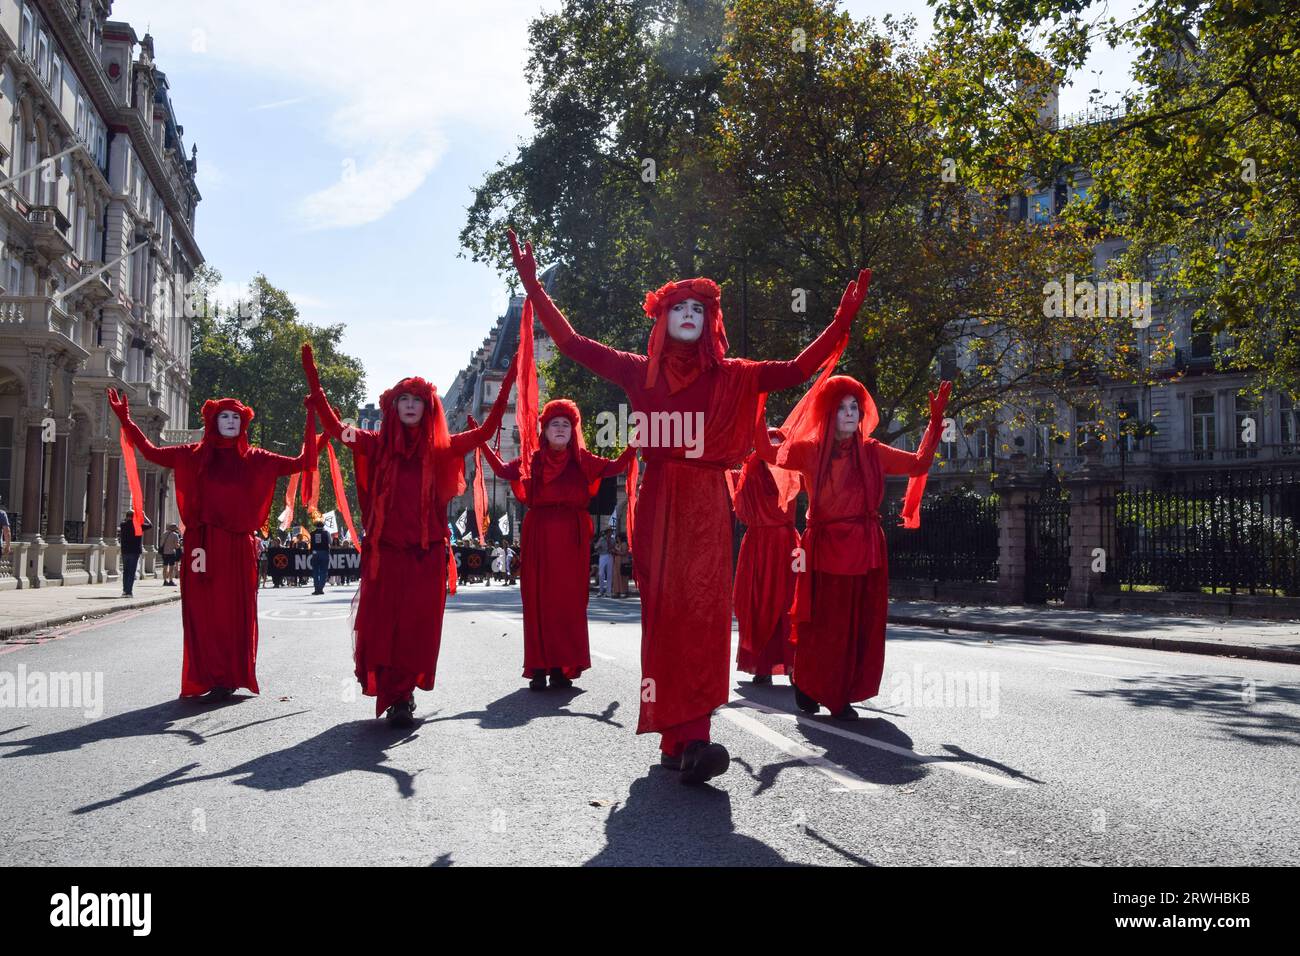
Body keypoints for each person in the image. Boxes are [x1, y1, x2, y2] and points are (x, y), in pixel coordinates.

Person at [509, 229, 869, 784]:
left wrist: (840, 324)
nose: (687, 315)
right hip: (658, 502)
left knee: (702, 617)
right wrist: (534, 288)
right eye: (677, 307)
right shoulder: (638, 369)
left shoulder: (736, 375)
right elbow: (576, 345)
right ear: (662, 318)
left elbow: (798, 370)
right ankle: (676, 736)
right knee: (666, 616)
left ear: (711, 322)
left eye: (698, 309)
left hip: (706, 504)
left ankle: (694, 735)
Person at [302, 343, 516, 726]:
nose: (411, 405)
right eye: (404, 399)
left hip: (426, 554)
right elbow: (336, 430)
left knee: (416, 629)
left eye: (418, 399)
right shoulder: (376, 444)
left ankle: (404, 696)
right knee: (384, 627)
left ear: (427, 407)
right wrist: (316, 386)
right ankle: (394, 693)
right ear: (394, 407)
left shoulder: (442, 448)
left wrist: (511, 380)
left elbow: (485, 431)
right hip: (385, 554)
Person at [107, 387, 315, 699]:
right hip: (201, 545)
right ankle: (208, 673)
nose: (230, 421)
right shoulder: (190, 454)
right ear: (213, 421)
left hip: (237, 547)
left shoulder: (256, 458)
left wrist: (316, 422)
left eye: (235, 417)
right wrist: (127, 421)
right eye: (224, 416)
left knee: (235, 612)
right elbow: (150, 452)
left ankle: (229, 674)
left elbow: (302, 462)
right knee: (202, 611)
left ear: (242, 423)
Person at [772, 375, 951, 719]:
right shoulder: (809, 450)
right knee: (822, 622)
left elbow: (918, 464)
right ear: (828, 413)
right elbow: (769, 453)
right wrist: (757, 402)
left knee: (857, 624)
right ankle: (808, 683)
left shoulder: (872, 450)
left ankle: (840, 693)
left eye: (854, 406)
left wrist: (934, 426)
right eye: (841, 408)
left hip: (865, 549)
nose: (850, 413)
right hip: (824, 549)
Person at [474, 398, 636, 690]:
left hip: (572, 538)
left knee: (569, 603)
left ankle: (562, 667)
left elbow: (616, 466)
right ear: (544, 430)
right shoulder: (530, 460)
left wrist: (636, 442)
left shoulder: (583, 460)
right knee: (537, 600)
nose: (560, 429)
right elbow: (499, 470)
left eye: (566, 424)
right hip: (539, 535)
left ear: (573, 431)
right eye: (554, 424)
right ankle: (538, 667)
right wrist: (482, 440)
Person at [730, 427, 799, 684]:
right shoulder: (750, 472)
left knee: (790, 605)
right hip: (764, 544)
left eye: (776, 444)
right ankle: (762, 663)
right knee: (759, 604)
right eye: (767, 444)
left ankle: (792, 663)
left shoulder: (790, 469)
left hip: (780, 544)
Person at [117, 508, 153, 597]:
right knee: (131, 571)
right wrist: (143, 516)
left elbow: (124, 521)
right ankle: (129, 592)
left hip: (125, 551)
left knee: (126, 571)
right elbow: (150, 525)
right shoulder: (138, 525)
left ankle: (125, 591)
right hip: (134, 551)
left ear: (126, 516)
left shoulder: (123, 525)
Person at [309, 519, 331, 594]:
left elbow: (311, 544)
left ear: (316, 526)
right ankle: (320, 588)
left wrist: (311, 552)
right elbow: (329, 542)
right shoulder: (326, 533)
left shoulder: (312, 533)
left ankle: (316, 588)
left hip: (315, 553)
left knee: (315, 571)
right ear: (323, 526)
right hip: (324, 553)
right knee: (323, 571)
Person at [596, 527, 614, 596]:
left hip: (610, 556)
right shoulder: (602, 539)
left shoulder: (612, 540)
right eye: (609, 531)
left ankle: (608, 591)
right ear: (606, 532)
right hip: (603, 555)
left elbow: (614, 547)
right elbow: (596, 546)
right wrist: (598, 547)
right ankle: (601, 590)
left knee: (609, 574)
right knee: (601, 573)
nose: (610, 533)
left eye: (611, 531)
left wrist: (613, 549)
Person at [612, 533, 630, 597]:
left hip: (622, 562)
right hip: (617, 562)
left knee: (623, 577)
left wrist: (616, 552)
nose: (617, 538)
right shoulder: (617, 544)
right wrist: (614, 552)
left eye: (618, 537)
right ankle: (617, 591)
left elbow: (624, 553)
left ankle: (624, 591)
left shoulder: (624, 544)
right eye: (616, 537)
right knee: (616, 576)